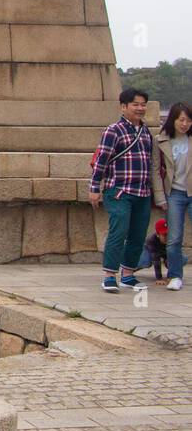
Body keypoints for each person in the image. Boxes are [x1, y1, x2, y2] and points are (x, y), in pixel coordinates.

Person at [89, 88, 153, 293]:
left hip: (142, 192)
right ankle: (109, 275)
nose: (140, 108)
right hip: (119, 191)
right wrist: (94, 188)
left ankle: (128, 274)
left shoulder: (145, 131)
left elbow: (151, 163)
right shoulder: (113, 130)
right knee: (119, 231)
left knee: (138, 234)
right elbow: (101, 161)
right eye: (135, 104)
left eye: (143, 104)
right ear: (124, 106)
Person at [152, 101, 192, 291]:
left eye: (189, 120)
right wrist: (160, 197)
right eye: (181, 119)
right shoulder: (161, 140)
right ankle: (175, 276)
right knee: (174, 238)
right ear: (173, 120)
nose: (185, 124)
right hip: (174, 193)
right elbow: (155, 171)